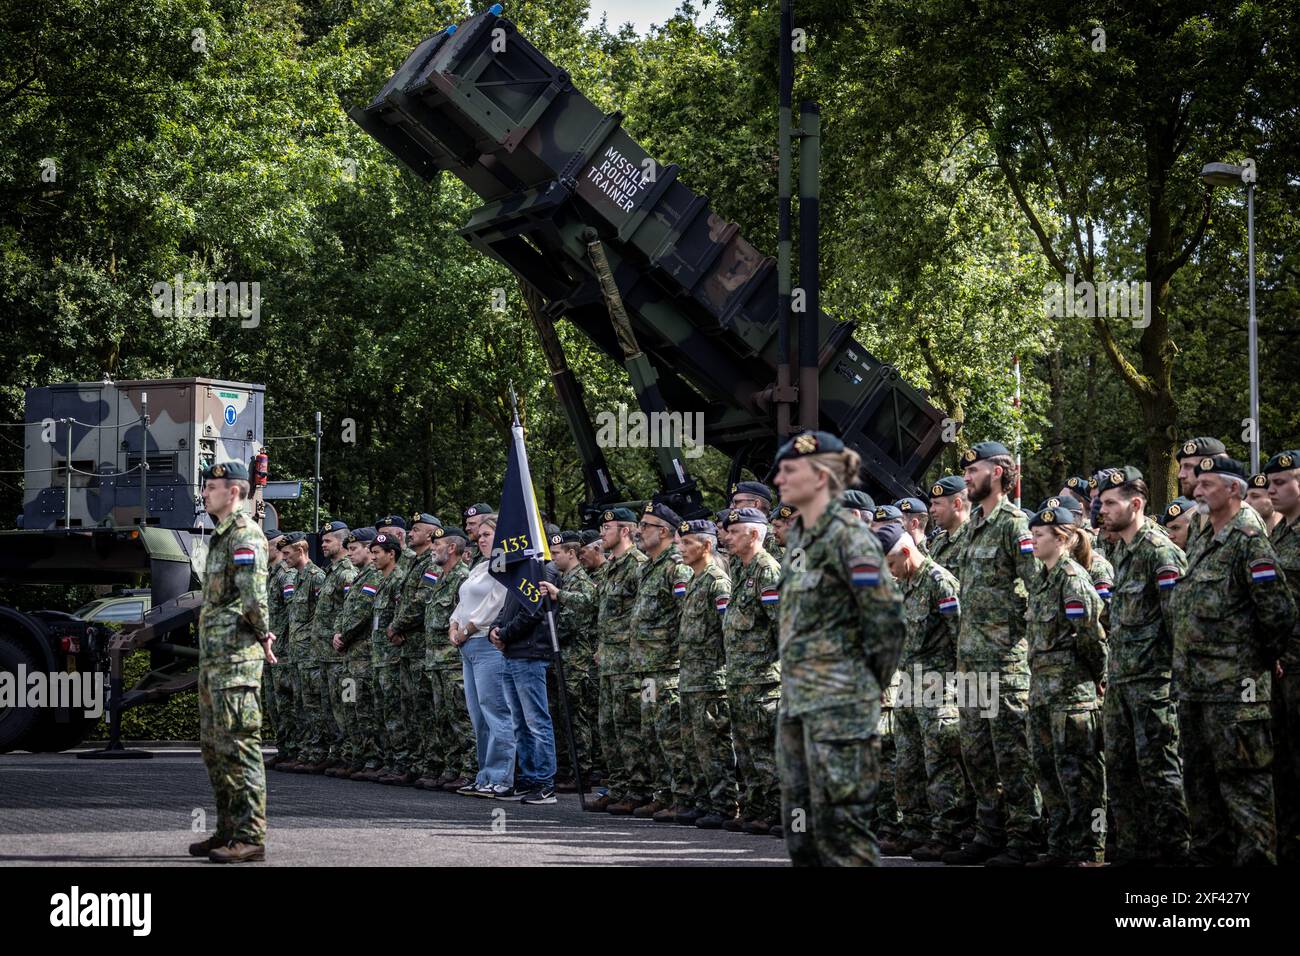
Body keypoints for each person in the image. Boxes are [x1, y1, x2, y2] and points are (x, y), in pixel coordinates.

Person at [772, 430, 904, 865]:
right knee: (802, 833)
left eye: (790, 471)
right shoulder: (800, 540)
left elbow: (885, 622)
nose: (778, 479)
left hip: (841, 708)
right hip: (797, 704)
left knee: (843, 835)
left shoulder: (849, 538)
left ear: (822, 476)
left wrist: (861, 684)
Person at [1171, 455, 1296, 865]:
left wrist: (1255, 662)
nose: (1198, 490)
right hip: (1196, 688)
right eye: (1199, 483)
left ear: (1234, 490)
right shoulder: (1204, 537)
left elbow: (1279, 613)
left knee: (1245, 789)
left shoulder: (1248, 541)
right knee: (1201, 785)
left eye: (1208, 484)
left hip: (1236, 692)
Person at [945, 441, 1042, 867]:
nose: (966, 477)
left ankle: (1025, 836)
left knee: (1013, 755)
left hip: (1005, 664)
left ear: (998, 472)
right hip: (971, 661)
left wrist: (1027, 647)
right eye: (965, 472)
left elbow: (1039, 590)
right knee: (978, 754)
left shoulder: (1015, 526)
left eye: (973, 470)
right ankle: (990, 832)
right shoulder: (972, 527)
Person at [1096, 466, 1190, 865]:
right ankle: (1134, 851)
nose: (1102, 510)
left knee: (1160, 774)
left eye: (1110, 503)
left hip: (1154, 684)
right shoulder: (1122, 549)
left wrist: (1177, 680)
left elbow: (1178, 621)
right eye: (1100, 503)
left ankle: (1173, 853)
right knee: (1121, 772)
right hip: (1121, 681)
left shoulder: (1160, 551)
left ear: (1136, 504)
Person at [190, 460, 273, 864]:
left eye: (211, 486)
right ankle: (227, 830)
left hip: (237, 661)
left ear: (234, 491)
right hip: (216, 662)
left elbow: (254, 598)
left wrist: (264, 634)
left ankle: (250, 836)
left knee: (240, 746)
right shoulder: (221, 536)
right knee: (215, 748)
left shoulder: (245, 535)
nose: (205, 493)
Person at [1023, 504, 1107, 866]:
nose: (1032, 541)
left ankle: (1089, 849)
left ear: (1060, 539)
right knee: (1049, 775)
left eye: (1038, 535)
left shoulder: (1072, 579)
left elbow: (1092, 638)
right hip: (1043, 694)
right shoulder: (1042, 580)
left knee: (1080, 779)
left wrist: (1096, 679)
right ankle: (1059, 847)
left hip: (1072, 697)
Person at [878, 522, 967, 861]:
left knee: (940, 763)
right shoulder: (906, 584)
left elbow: (960, 636)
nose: (890, 573)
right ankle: (913, 829)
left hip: (937, 686)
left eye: (890, 564)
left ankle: (947, 833)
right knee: (908, 762)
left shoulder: (939, 582)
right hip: (909, 684)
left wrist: (959, 689)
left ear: (905, 553)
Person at [625, 500, 693, 820]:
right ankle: (663, 793)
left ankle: (683, 796)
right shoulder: (647, 566)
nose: (639, 531)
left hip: (666, 669)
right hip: (646, 668)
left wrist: (677, 658)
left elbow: (686, 617)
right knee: (652, 733)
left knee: (671, 735)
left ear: (664, 531)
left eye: (646, 526)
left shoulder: (675, 566)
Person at [719, 506, 783, 835]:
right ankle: (756, 807)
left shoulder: (767, 571)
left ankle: (776, 812)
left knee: (765, 751)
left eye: (734, 532)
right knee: (745, 749)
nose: (727, 537)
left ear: (754, 534)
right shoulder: (742, 571)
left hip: (763, 682)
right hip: (740, 680)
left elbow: (782, 629)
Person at [673, 518, 738, 829]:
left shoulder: (717, 582)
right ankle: (704, 801)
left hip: (711, 679)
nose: (681, 548)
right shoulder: (696, 581)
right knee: (693, 744)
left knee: (713, 743)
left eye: (688, 543)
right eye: (680, 542)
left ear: (707, 545)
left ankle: (724, 804)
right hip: (691, 677)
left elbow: (727, 633)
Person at [489, 552, 562, 805]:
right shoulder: (520, 570)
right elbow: (506, 610)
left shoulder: (541, 569)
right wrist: (494, 631)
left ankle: (544, 783)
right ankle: (528, 778)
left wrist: (505, 634)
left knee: (536, 722)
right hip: (513, 653)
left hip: (529, 654)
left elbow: (533, 611)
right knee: (519, 722)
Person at [591, 508, 649, 814]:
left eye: (608, 527)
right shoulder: (611, 566)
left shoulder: (638, 565)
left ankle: (638, 789)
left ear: (625, 531)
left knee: (629, 727)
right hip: (610, 658)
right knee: (609, 726)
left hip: (628, 659)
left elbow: (641, 614)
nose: (602, 532)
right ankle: (618, 786)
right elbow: (606, 612)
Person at [450, 518, 513, 797]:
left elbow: (497, 600)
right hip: (468, 646)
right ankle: (484, 774)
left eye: (488, 534)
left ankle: (502, 777)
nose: (482, 539)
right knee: (478, 715)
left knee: (495, 711)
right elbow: (463, 601)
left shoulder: (502, 562)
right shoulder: (479, 566)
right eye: (481, 535)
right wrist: (454, 625)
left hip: (485, 643)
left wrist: (468, 628)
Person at [538, 532, 599, 792]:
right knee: (563, 716)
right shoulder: (564, 581)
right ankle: (567, 768)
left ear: (571, 553)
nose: (553, 559)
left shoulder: (580, 583)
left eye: (557, 553)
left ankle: (582, 772)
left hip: (577, 661)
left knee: (577, 718)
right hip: (563, 659)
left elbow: (573, 624)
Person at [298, 521, 356, 774]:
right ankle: (337, 752)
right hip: (322, 654)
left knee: (345, 706)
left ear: (343, 543)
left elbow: (350, 610)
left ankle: (348, 755)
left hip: (339, 655)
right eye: (322, 541)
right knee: (329, 707)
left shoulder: (347, 573)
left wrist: (342, 636)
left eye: (328, 540)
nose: (323, 544)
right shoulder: (332, 572)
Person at [1265, 450, 1300, 864]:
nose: (1272, 491)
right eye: (1269, 484)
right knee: (1284, 765)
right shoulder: (1278, 535)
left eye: (1280, 483)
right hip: (1281, 665)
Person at [328, 528, 382, 779]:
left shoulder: (374, 576)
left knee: (364, 708)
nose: (349, 554)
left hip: (362, 655)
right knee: (350, 706)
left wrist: (344, 635)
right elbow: (344, 611)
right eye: (348, 549)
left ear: (369, 550)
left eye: (354, 549)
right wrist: (338, 632)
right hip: (349, 656)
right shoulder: (359, 577)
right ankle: (357, 756)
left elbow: (362, 612)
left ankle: (371, 758)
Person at [276, 532, 323, 772]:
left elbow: (321, 615)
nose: (284, 558)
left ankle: (315, 752)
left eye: (287, 554)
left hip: (310, 653)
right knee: (299, 704)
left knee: (312, 704)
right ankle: (304, 751)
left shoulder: (316, 577)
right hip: (296, 651)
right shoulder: (299, 578)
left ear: (300, 550)